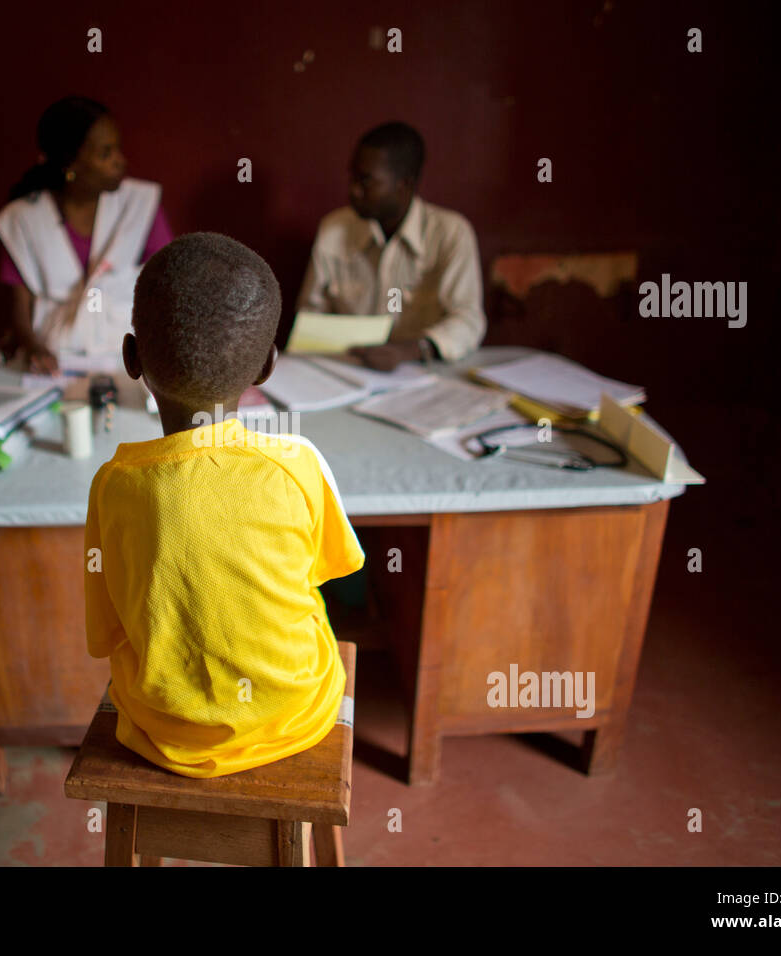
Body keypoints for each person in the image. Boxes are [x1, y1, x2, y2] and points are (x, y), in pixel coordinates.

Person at [84, 233, 365, 778]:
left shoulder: (113, 484)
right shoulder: (297, 463)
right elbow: (327, 571)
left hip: (162, 729)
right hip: (294, 716)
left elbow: (107, 630)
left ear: (131, 357)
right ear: (266, 367)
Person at [0, 96, 173, 372]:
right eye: (105, 153)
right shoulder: (24, 218)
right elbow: (21, 307)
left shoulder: (139, 204)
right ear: (71, 163)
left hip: (129, 358)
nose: (120, 161)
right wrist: (33, 348)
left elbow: (169, 283)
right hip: (53, 362)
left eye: (117, 149)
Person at [297, 121, 486, 370]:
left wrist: (410, 350)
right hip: (346, 369)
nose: (353, 190)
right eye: (352, 177)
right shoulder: (333, 229)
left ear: (404, 184)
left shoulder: (451, 233)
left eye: (365, 181)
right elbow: (311, 314)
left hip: (423, 372)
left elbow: (469, 320)